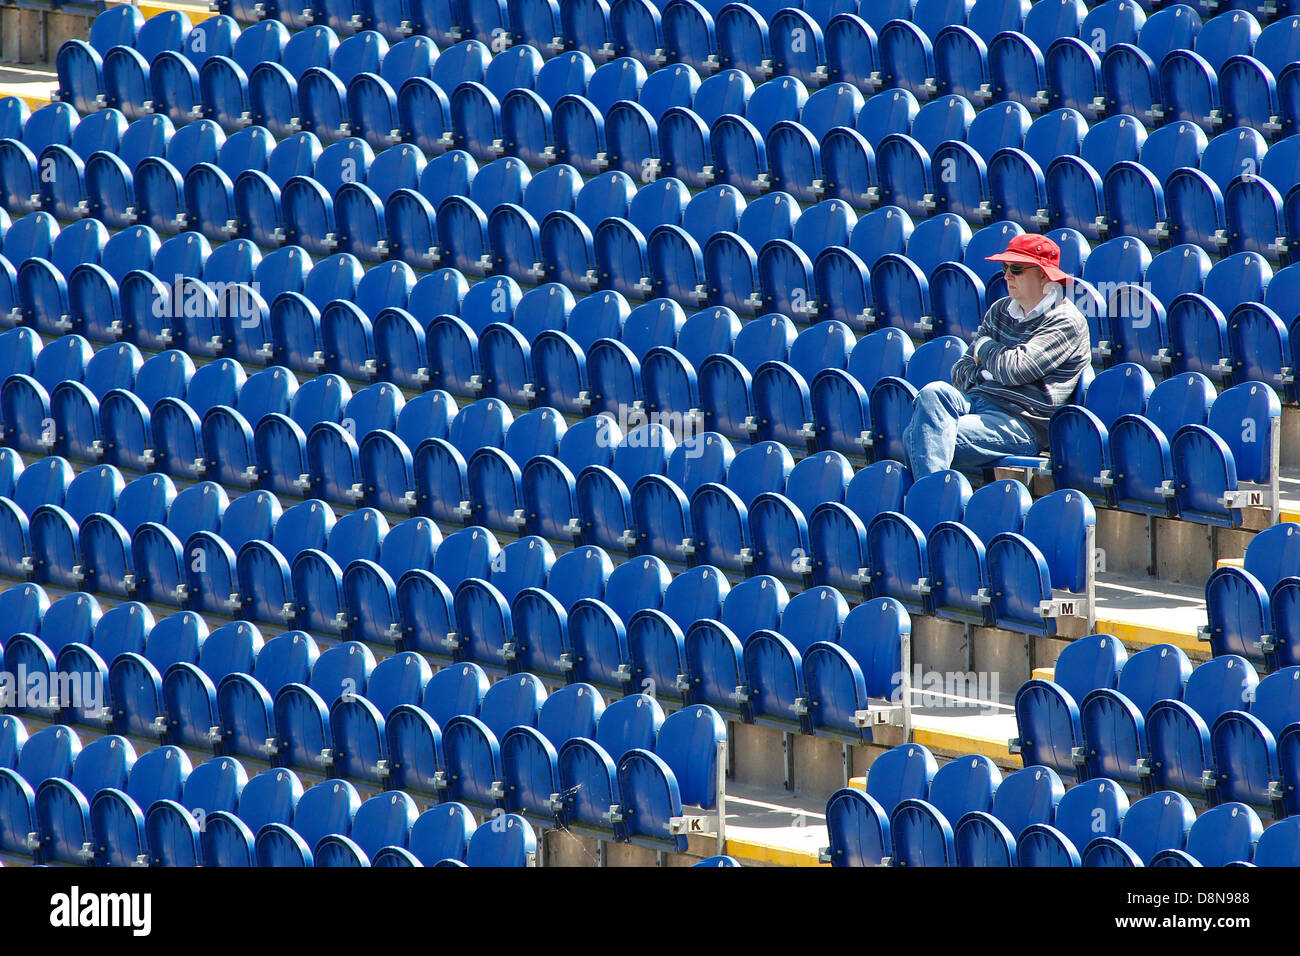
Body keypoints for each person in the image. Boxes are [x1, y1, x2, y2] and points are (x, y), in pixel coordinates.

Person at [901, 234, 1091, 479]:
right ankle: (933, 495)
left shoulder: (1065, 320)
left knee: (918, 437)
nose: (1007, 275)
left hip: (1019, 423)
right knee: (933, 392)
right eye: (1005, 267)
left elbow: (1015, 369)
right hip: (976, 405)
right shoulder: (1000, 310)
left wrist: (984, 348)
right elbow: (960, 371)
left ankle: (930, 500)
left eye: (1017, 268)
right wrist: (992, 368)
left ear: (1044, 274)